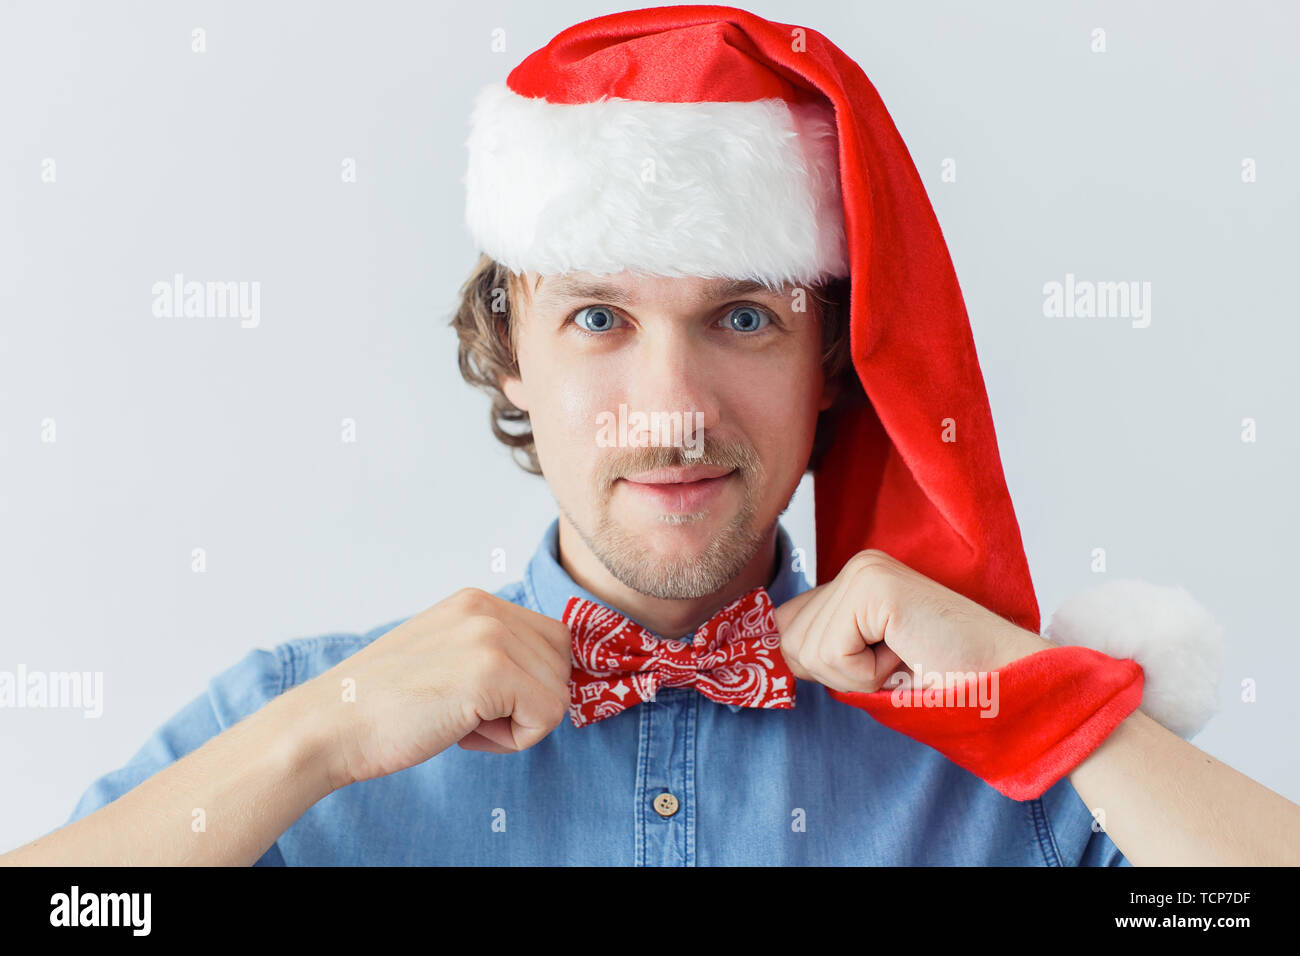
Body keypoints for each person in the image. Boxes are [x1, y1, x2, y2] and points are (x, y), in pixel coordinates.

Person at [5, 4, 1298, 867]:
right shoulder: (301, 727)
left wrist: (1044, 701)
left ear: (835, 363)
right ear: (510, 344)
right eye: (602, 317)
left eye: (741, 314)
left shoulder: (1003, 763)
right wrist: (322, 738)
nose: (673, 404)